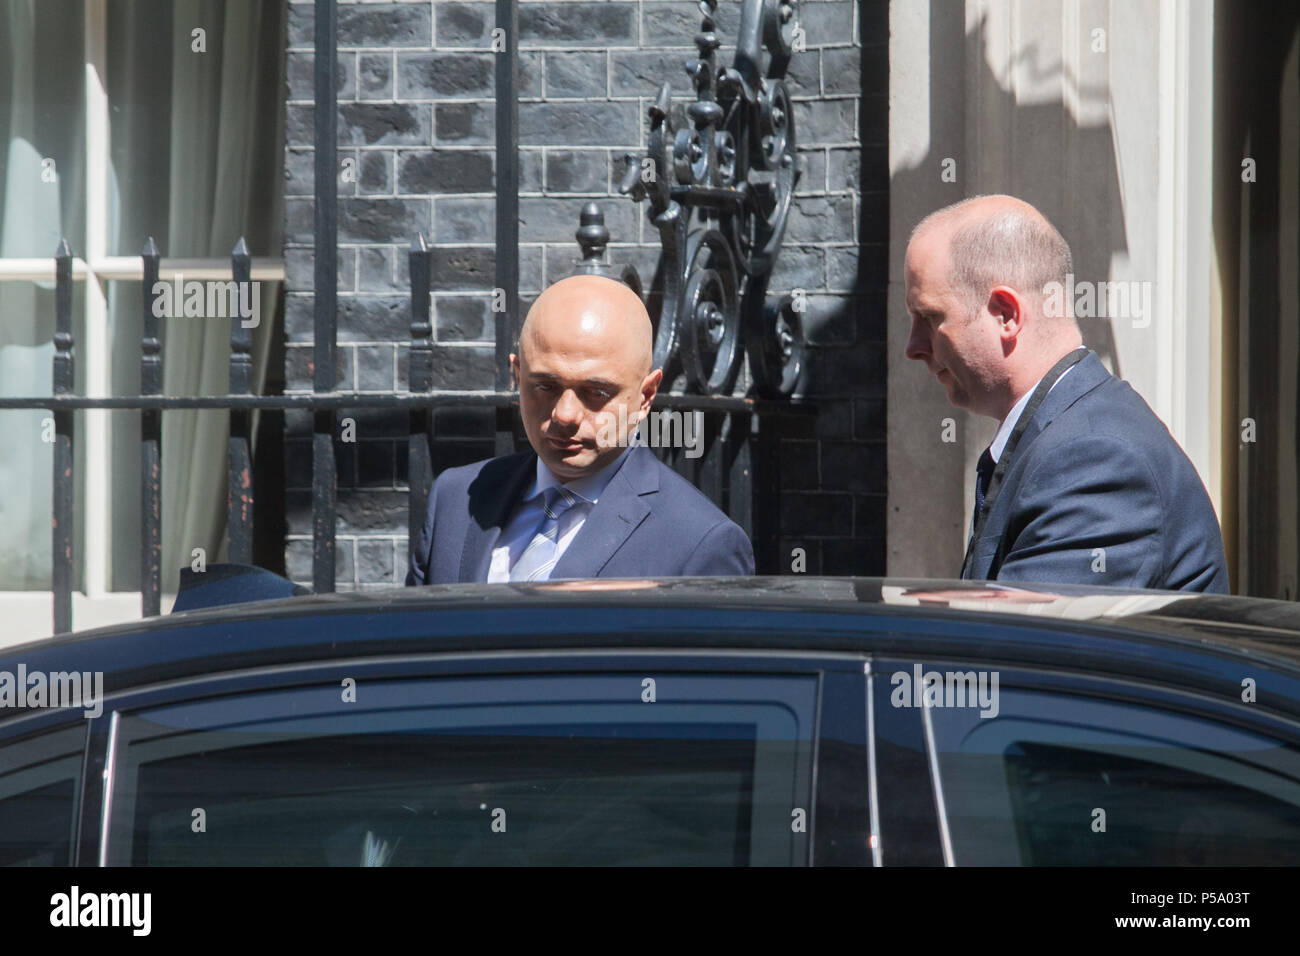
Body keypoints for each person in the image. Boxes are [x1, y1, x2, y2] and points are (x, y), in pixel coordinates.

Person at [904, 194, 1229, 592]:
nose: (914, 347)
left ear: (1005, 314)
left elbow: (1020, 649)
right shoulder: (1070, 438)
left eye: (930, 317)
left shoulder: (1093, 460)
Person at [406, 274, 754, 585]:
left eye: (596, 393)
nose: (565, 415)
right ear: (517, 377)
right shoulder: (456, 500)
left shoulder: (699, 544)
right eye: (545, 386)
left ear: (646, 395)